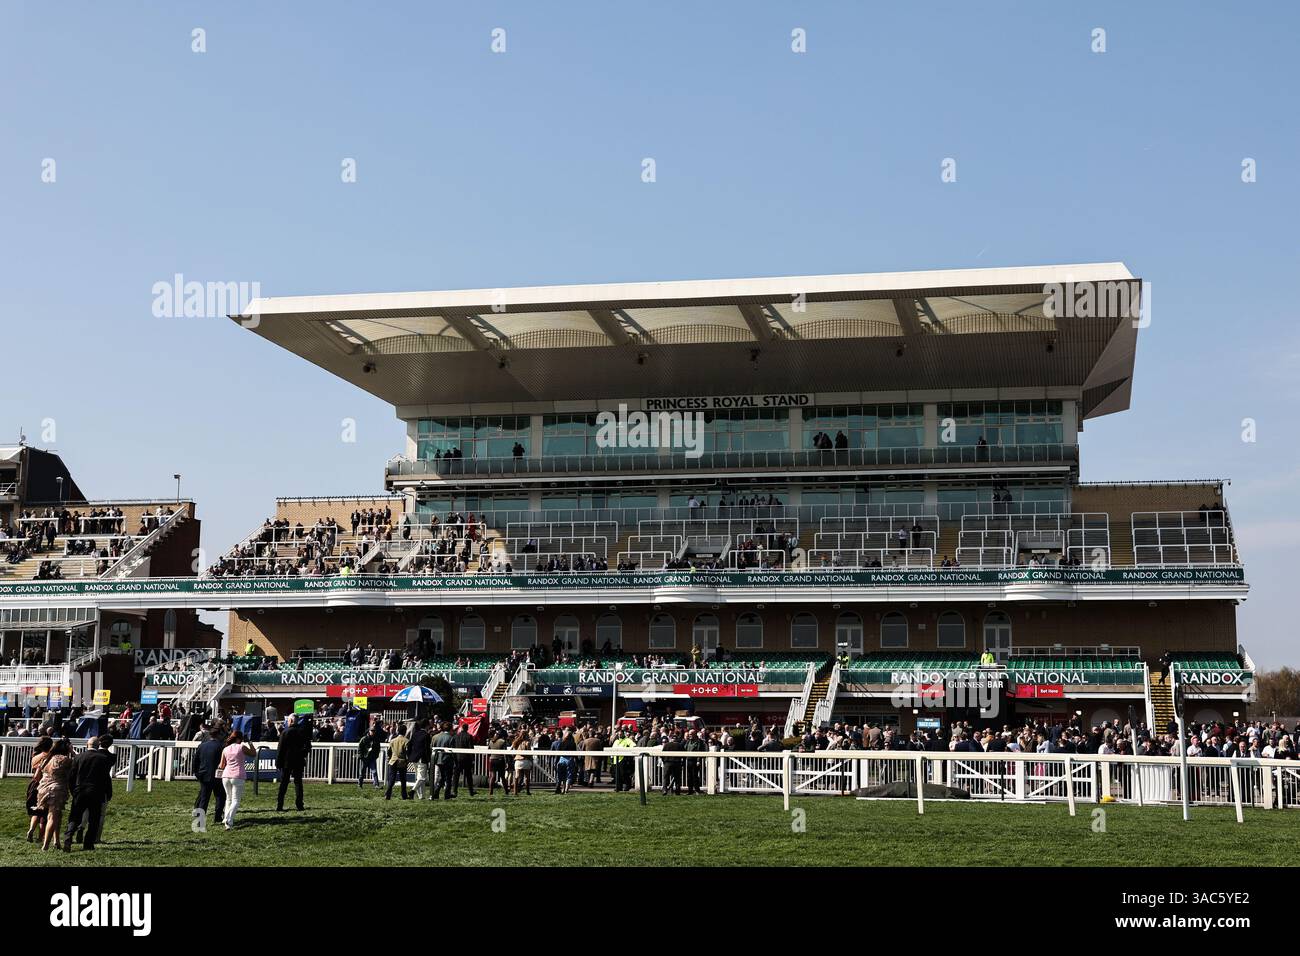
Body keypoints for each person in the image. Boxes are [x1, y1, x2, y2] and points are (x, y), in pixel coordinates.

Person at [63, 735, 114, 851]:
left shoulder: (79, 757)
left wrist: (73, 791)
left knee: (75, 817)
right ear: (98, 745)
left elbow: (72, 776)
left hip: (80, 791)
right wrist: (107, 793)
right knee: (94, 820)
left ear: (87, 745)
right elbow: (106, 779)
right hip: (96, 792)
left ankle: (68, 838)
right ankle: (88, 844)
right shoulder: (103, 758)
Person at [36, 737, 73, 851]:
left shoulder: (46, 759)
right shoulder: (64, 759)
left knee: (57, 815)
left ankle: (56, 841)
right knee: (52, 816)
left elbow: (37, 776)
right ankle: (45, 845)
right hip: (56, 790)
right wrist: (72, 751)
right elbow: (77, 763)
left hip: (43, 789)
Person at [217, 730, 257, 830]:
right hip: (238, 775)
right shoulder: (241, 747)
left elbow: (221, 765)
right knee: (236, 800)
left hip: (226, 776)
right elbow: (253, 753)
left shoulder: (225, 749)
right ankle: (228, 819)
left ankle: (226, 820)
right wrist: (250, 742)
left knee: (229, 799)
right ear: (239, 739)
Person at [275, 715, 312, 811]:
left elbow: (280, 749)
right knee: (298, 783)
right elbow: (308, 746)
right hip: (298, 760)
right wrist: (302, 754)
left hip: (286, 761)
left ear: (290, 720)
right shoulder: (303, 731)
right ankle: (299, 805)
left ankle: (280, 805)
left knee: (284, 783)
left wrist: (278, 762)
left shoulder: (285, 732)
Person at [194, 724, 227, 827]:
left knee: (203, 799)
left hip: (204, 775)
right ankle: (217, 817)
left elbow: (196, 761)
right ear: (218, 735)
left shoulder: (202, 746)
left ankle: (200, 822)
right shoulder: (221, 746)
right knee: (220, 797)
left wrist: (197, 774)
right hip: (218, 776)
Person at [24, 736, 54, 843]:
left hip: (34, 785)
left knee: (36, 810)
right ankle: (41, 838)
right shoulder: (50, 757)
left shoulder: (35, 756)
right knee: (44, 813)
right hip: (45, 784)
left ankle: (31, 829)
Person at [385, 723, 411, 800]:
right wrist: (407, 760)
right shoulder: (406, 741)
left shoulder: (392, 740)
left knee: (392, 780)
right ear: (405, 731)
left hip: (393, 761)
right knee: (403, 780)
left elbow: (389, 751)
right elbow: (407, 752)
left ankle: (388, 794)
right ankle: (404, 795)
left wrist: (389, 759)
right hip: (402, 762)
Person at [408, 719, 432, 800]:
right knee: (422, 778)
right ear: (426, 725)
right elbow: (427, 749)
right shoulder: (426, 735)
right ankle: (412, 791)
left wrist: (410, 755)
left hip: (414, 758)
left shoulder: (415, 734)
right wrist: (428, 759)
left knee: (418, 778)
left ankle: (421, 796)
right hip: (422, 758)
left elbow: (410, 745)